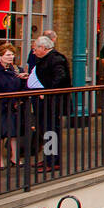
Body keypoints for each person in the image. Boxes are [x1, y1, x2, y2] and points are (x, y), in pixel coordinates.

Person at [29, 35, 70, 171]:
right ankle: (48, 158)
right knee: (46, 130)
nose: (33, 52)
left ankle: (52, 161)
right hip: (45, 102)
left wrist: (47, 91)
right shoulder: (45, 59)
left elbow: (60, 77)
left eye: (35, 49)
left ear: (43, 48)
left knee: (51, 130)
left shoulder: (56, 59)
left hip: (52, 103)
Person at [0, 41, 26, 169]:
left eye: (12, 54)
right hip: (0, 107)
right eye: (7, 55)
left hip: (15, 106)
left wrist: (24, 80)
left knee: (14, 133)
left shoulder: (18, 70)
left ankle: (15, 157)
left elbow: (24, 87)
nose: (10, 57)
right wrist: (9, 100)